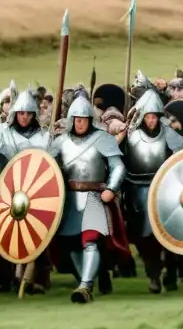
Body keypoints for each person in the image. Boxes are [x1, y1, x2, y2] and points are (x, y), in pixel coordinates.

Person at [49, 93, 128, 303]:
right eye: (77, 119)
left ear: (90, 120)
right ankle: (91, 276)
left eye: (84, 119)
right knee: (70, 245)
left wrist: (111, 188)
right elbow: (47, 170)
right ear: (71, 120)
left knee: (90, 240)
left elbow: (118, 166)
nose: (80, 123)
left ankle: (85, 286)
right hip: (68, 200)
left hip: (95, 197)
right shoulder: (59, 143)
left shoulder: (102, 138)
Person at [121, 89, 183, 294]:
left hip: (164, 188)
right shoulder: (131, 135)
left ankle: (171, 270)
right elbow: (120, 161)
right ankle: (153, 276)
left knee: (168, 234)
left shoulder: (167, 134)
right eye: (148, 116)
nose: (151, 121)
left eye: (154, 116)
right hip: (135, 191)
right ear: (142, 116)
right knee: (144, 238)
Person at [0, 87, 54, 294]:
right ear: (15, 114)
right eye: (21, 113)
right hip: (8, 192)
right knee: (6, 236)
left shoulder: (44, 138)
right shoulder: (3, 134)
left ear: (33, 114)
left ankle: (36, 279)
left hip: (37, 194)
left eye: (28, 113)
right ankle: (7, 279)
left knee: (37, 235)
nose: (24, 117)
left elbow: (51, 167)